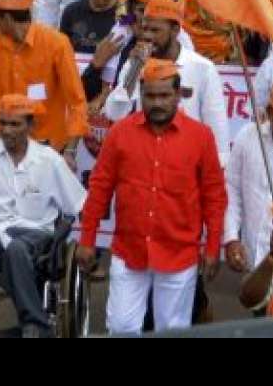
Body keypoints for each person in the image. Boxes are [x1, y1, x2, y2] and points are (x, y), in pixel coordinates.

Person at [76, 59, 228, 334]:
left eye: (164, 95)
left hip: (179, 254)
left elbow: (214, 196)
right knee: (121, 328)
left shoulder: (200, 137)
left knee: (171, 331)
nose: (157, 103)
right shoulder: (120, 133)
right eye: (150, 96)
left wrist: (214, 246)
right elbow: (99, 188)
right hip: (129, 251)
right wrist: (87, 239)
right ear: (140, 94)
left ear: (178, 95)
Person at [0, 94, 87, 339]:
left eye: (15, 124)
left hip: (35, 237)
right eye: (3, 123)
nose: (6, 130)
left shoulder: (50, 160)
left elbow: (78, 205)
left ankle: (34, 325)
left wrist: (70, 235)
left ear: (31, 126)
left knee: (17, 248)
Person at [103, 0, 231, 161]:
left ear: (175, 30)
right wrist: (134, 70)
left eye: (155, 30)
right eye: (145, 29)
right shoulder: (134, 63)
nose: (147, 36)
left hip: (187, 161)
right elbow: (114, 113)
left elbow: (217, 127)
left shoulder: (203, 68)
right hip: (145, 159)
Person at [0, 0, 87, 154]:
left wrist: (70, 151)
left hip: (47, 145)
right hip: (7, 144)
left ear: (6, 18)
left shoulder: (56, 43)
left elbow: (76, 101)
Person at [224, 82, 273, 275]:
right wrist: (231, 238)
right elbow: (232, 189)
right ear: (269, 113)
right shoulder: (248, 137)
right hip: (252, 259)